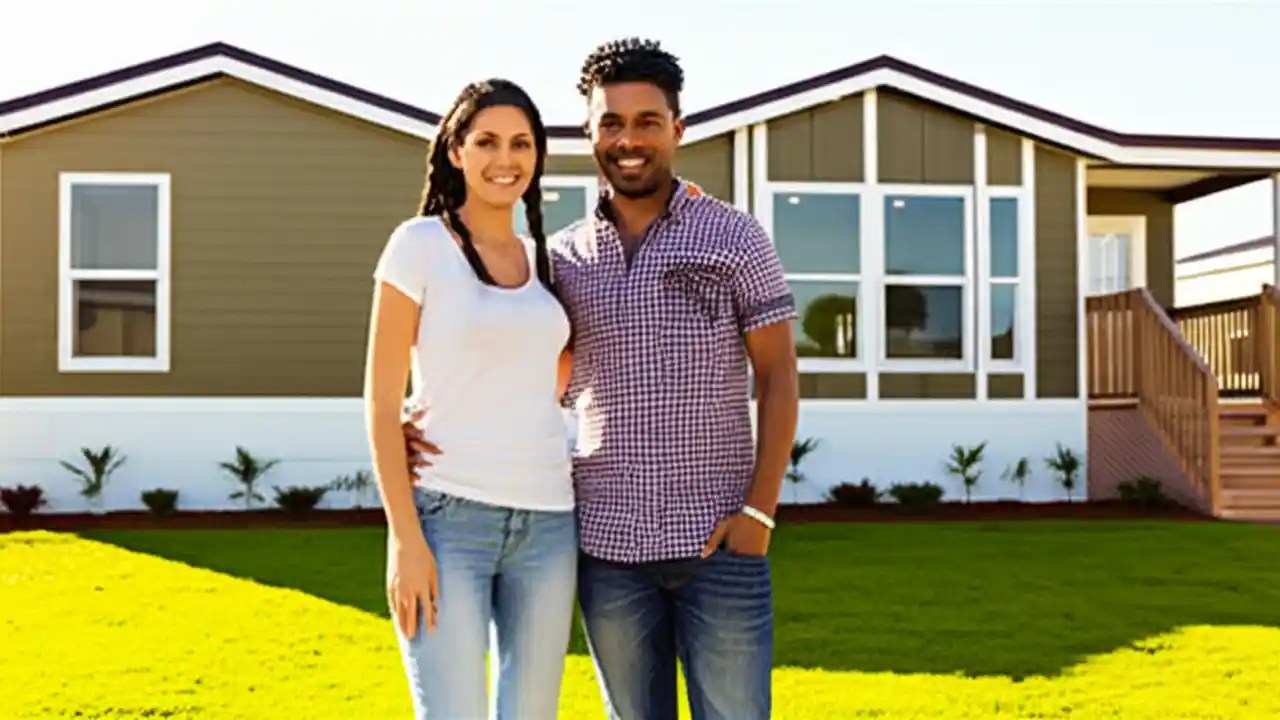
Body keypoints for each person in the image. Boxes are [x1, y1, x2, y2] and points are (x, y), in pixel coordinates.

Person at [403, 38, 799, 720]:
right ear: (588, 133)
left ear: (678, 128)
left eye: (648, 121)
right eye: (611, 123)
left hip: (719, 546)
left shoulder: (735, 237)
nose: (629, 139)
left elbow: (778, 373)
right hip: (606, 550)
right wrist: (428, 419)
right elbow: (525, 367)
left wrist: (759, 512)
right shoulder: (558, 260)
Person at [364, 78, 578, 720]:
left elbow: (551, 377)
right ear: (455, 150)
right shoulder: (419, 245)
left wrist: (687, 207)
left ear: (538, 156)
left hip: (548, 521)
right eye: (485, 141)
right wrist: (405, 538)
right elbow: (379, 402)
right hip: (448, 520)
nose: (504, 158)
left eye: (520, 143)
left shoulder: (547, 261)